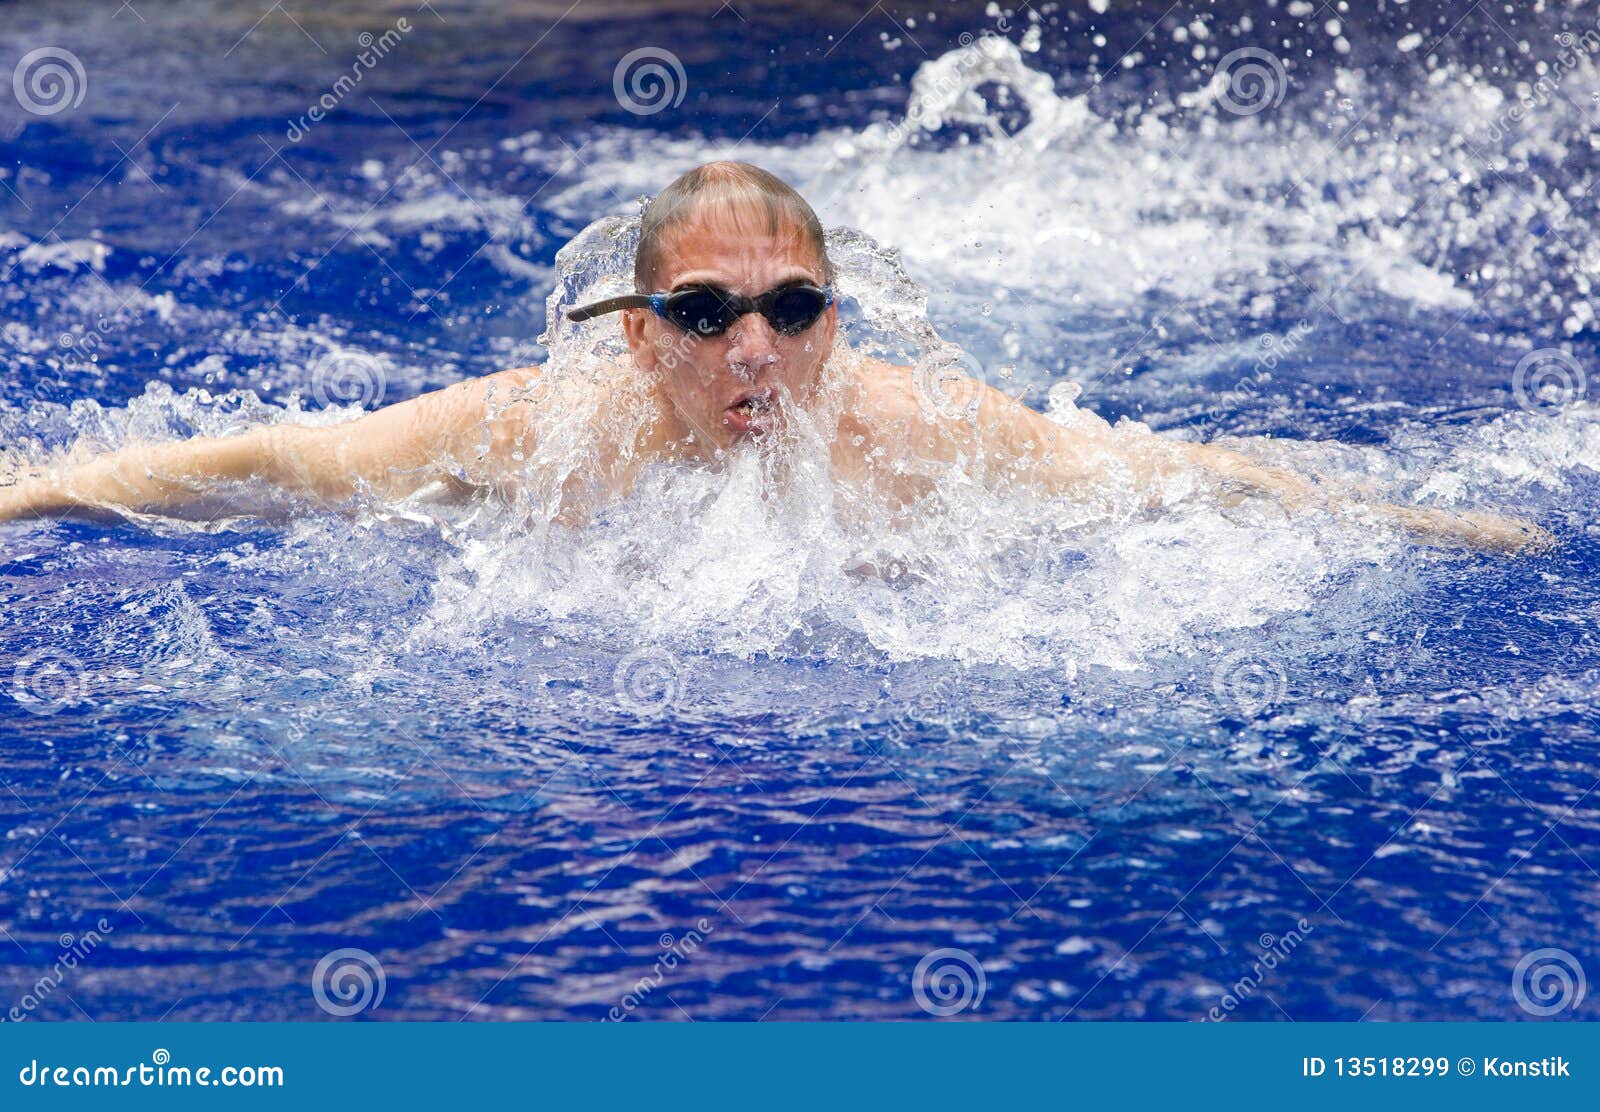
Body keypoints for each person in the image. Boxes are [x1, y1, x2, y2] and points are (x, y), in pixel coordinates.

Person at [0, 161, 1552, 554]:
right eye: (705, 315)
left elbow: (1174, 483)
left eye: (794, 310)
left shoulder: (917, 431)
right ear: (635, 330)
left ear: (836, 319)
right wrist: (29, 498)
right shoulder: (545, 427)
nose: (754, 347)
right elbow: (272, 459)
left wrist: (1418, 521)